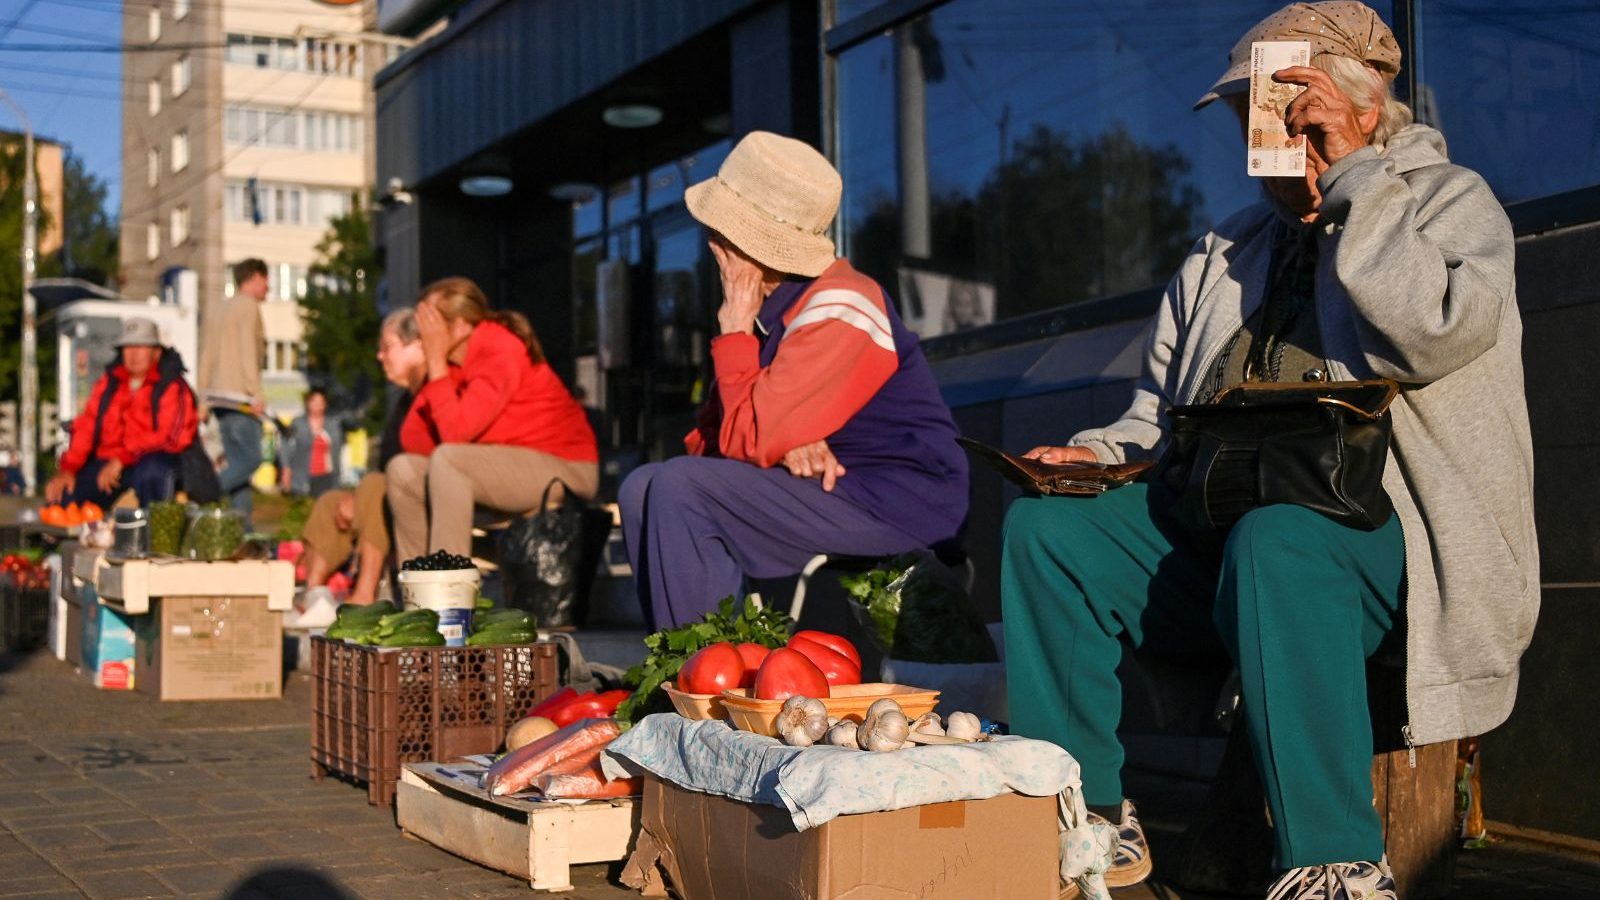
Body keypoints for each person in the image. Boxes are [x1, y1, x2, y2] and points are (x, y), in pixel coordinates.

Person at [1001, 5, 1537, 899]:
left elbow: (1431, 334)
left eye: (1287, 105)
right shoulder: (1226, 251)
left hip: (1384, 547)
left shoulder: (1450, 205)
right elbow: (1156, 415)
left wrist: (1357, 178)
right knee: (1046, 531)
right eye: (1254, 111)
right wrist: (1091, 458)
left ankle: (1332, 864)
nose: (1269, 132)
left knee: (1278, 539)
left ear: (1363, 106)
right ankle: (1088, 813)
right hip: (1227, 533)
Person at [619, 131, 970, 628]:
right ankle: (685, 675)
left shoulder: (840, 305)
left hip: (894, 503)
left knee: (680, 487)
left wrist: (735, 331)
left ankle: (697, 690)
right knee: (642, 486)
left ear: (748, 246)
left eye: (719, 232)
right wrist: (781, 445)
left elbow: (741, 440)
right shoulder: (775, 311)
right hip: (834, 492)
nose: (711, 244)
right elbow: (712, 443)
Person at [386, 278, 599, 561]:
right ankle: (416, 591)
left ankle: (447, 593)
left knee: (450, 460)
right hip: (508, 468)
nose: (421, 333)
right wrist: (437, 374)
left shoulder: (500, 348)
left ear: (461, 325)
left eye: (429, 322)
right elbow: (413, 438)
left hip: (567, 467)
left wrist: (436, 365)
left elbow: (454, 435)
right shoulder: (452, 363)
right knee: (403, 470)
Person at [299, 310, 424, 605]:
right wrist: (352, 499)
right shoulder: (404, 401)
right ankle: (314, 597)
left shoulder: (432, 393)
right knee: (331, 501)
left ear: (416, 346)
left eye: (388, 347)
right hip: (394, 490)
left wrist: (362, 497)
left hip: (417, 495)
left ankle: (364, 595)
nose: (380, 356)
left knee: (373, 485)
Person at [45, 317, 199, 507]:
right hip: (109, 464)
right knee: (64, 498)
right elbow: (86, 427)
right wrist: (68, 469)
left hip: (155, 461)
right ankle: (88, 533)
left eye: (141, 347)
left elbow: (171, 438)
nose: (133, 354)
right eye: (127, 347)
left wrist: (124, 458)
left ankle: (152, 530)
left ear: (157, 353)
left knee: (152, 472)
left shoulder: (172, 385)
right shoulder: (108, 384)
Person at [201, 258, 269, 522]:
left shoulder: (218, 309)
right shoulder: (248, 307)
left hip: (219, 399)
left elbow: (206, 355)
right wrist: (256, 393)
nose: (268, 287)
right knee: (252, 459)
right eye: (265, 281)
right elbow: (247, 352)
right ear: (253, 278)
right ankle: (204, 493)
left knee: (240, 476)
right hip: (241, 398)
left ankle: (243, 531)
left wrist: (203, 398)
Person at [279, 388, 344, 498]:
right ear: (308, 403)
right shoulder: (298, 423)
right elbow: (285, 445)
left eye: (320, 402)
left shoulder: (333, 425)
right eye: (314, 401)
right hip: (301, 477)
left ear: (325, 405)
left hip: (326, 477)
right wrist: (286, 469)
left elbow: (337, 451)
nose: (317, 405)